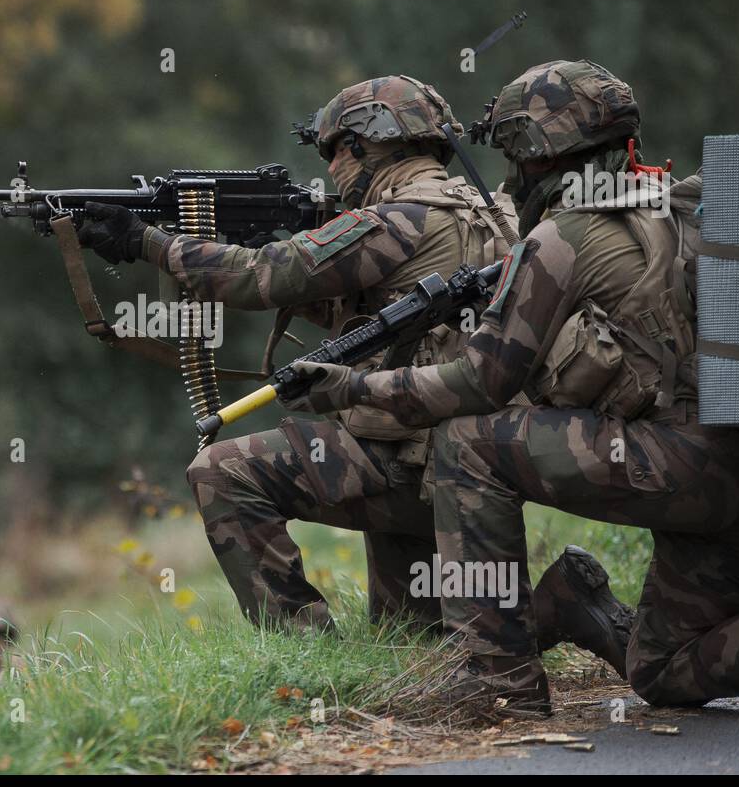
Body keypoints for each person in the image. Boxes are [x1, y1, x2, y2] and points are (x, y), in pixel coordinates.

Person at [281, 59, 739, 712]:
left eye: (514, 154)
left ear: (535, 156)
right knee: (663, 669)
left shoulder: (566, 235)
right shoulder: (679, 203)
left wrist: (350, 387)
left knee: (470, 443)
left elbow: (479, 381)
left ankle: (499, 684)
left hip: (682, 468)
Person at [78, 75, 635, 678]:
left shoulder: (398, 218)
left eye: (334, 152)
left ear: (362, 145)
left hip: (404, 456)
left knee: (222, 473)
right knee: (422, 656)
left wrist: (149, 243)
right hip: (474, 466)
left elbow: (265, 277)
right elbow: (389, 310)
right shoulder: (498, 209)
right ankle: (564, 606)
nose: (333, 170)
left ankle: (307, 666)